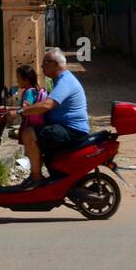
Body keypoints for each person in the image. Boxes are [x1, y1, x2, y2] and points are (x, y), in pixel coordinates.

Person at [18, 47, 90, 186]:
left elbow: (47, 105)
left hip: (72, 131)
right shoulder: (61, 80)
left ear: (55, 64)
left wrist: (21, 111)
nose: (41, 66)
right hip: (66, 128)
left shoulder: (65, 81)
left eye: (45, 63)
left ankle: (36, 178)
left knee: (28, 133)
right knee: (32, 132)